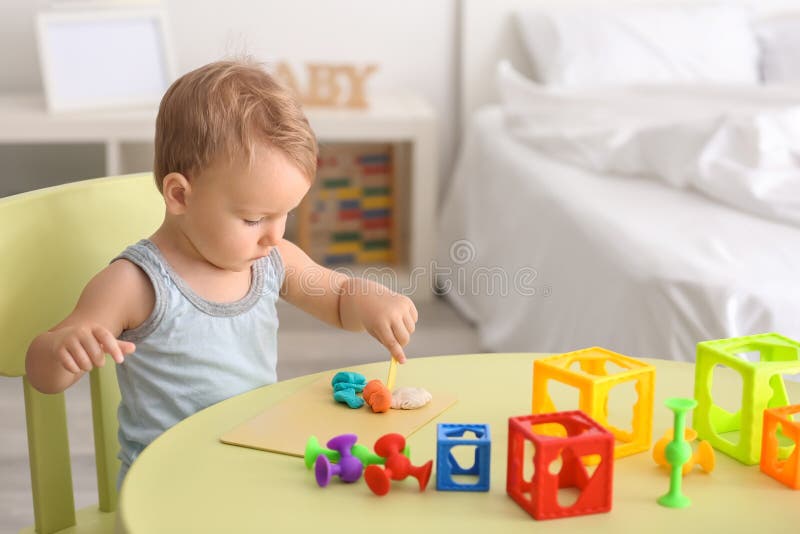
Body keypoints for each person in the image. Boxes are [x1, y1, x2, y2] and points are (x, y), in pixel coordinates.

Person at [25, 59, 418, 487]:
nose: (273, 234)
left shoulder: (272, 258)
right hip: (166, 487)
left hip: (249, 465)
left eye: (285, 214)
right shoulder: (135, 283)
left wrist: (369, 298)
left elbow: (338, 299)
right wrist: (65, 351)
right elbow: (43, 375)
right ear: (180, 195)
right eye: (253, 218)